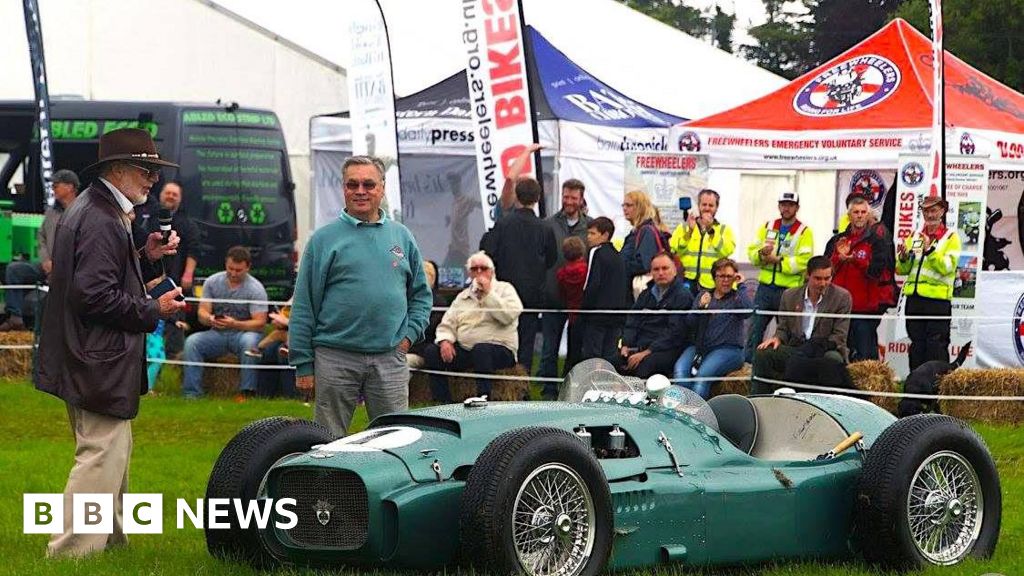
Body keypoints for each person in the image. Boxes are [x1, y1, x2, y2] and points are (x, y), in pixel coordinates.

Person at [36, 128, 185, 557]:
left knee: (113, 451)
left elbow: (93, 277)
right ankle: (72, 552)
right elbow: (94, 296)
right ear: (116, 170)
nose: (153, 178)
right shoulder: (101, 218)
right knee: (102, 453)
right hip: (96, 357)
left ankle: (112, 543)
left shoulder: (94, 208)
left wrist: (145, 257)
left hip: (83, 353)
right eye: (146, 169)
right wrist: (156, 310)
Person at [290, 155, 432, 436]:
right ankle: (328, 483)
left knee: (396, 439)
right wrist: (303, 363)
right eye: (352, 184)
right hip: (335, 357)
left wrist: (408, 338)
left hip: (390, 357)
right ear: (343, 188)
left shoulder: (402, 237)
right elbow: (304, 304)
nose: (360, 191)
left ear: (382, 188)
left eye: (368, 184)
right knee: (327, 441)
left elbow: (421, 296)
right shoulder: (323, 240)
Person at [481, 177, 557, 373]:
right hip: (532, 293)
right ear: (538, 198)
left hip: (505, 292)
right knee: (527, 340)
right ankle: (523, 379)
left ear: (516, 196)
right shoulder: (545, 228)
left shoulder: (503, 224)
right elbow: (551, 259)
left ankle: (505, 378)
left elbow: (490, 252)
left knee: (502, 336)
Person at [423, 252, 523, 401]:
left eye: (483, 268)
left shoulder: (505, 289)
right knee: (432, 351)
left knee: (481, 350)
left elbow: (507, 316)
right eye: (474, 269)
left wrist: (488, 294)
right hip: (467, 349)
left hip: (500, 348)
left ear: (492, 271)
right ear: (469, 273)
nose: (479, 272)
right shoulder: (463, 296)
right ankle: (443, 401)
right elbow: (447, 323)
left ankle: (484, 398)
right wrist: (445, 341)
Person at [752, 256, 852, 394]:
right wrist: (777, 338)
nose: (823, 283)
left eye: (827, 278)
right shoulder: (789, 295)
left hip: (824, 350)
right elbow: (783, 328)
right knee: (763, 354)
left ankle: (828, 408)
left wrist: (811, 348)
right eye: (818, 278)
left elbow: (839, 337)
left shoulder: (842, 297)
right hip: (796, 350)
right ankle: (760, 401)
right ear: (807, 275)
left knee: (833, 359)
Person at [181, 246, 268, 398]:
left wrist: (235, 324)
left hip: (243, 334)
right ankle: (191, 393)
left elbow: (260, 323)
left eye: (238, 270)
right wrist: (210, 319)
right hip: (217, 333)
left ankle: (247, 393)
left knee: (250, 343)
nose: (233, 273)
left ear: (248, 267)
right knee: (192, 342)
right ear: (225, 264)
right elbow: (202, 312)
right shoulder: (212, 282)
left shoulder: (256, 288)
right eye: (230, 268)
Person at [0, 169, 80, 331]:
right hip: (47, 265)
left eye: (57, 185)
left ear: (71, 187)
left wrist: (60, 266)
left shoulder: (83, 211)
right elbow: (41, 237)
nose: (53, 189)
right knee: (14, 270)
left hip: (72, 270)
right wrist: (45, 260)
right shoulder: (51, 212)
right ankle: (15, 317)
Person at [744, 191, 813, 361]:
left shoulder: (804, 231)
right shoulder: (768, 226)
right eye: (783, 204)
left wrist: (779, 261)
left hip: (789, 291)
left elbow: (804, 261)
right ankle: (748, 367)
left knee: (788, 332)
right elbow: (751, 253)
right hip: (765, 288)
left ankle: (784, 367)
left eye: (790, 205)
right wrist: (761, 253)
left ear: (797, 207)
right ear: (779, 206)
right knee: (755, 330)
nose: (786, 208)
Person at [134, 180, 200, 354]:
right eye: (167, 193)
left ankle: (172, 359)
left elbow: (194, 250)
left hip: (175, 278)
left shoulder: (187, 223)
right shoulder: (147, 217)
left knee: (174, 322)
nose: (170, 196)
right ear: (161, 195)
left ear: (180, 199)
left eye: (174, 194)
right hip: (150, 278)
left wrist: (188, 274)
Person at [897, 196, 962, 370]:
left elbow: (947, 267)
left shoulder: (951, 237)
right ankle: (916, 386)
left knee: (936, 347)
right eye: (926, 211)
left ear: (942, 212)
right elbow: (903, 269)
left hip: (938, 301)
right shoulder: (915, 235)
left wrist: (930, 250)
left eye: (933, 210)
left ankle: (936, 388)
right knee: (917, 346)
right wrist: (903, 258)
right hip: (915, 299)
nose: (930, 214)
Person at [824, 193, 891, 361]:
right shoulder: (836, 240)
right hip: (840, 308)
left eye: (863, 212)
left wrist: (856, 261)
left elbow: (876, 272)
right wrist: (838, 258)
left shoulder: (877, 241)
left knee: (865, 355)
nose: (860, 216)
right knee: (839, 352)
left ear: (868, 215)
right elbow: (824, 270)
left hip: (865, 309)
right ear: (849, 215)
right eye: (856, 212)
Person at [539, 178, 592, 384]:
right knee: (549, 348)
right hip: (552, 296)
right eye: (566, 196)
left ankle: (571, 386)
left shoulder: (590, 226)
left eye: (573, 197)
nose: (569, 201)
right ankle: (548, 388)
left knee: (576, 347)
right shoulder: (548, 224)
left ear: (581, 199)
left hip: (578, 302)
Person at [675, 258, 752, 399]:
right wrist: (700, 308)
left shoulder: (737, 298)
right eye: (721, 276)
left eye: (729, 276)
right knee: (680, 371)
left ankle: (695, 415)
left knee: (702, 377)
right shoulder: (703, 295)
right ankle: (680, 412)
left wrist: (741, 285)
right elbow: (690, 323)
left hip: (729, 350)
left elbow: (748, 311)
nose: (725, 280)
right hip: (700, 347)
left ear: (735, 277)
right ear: (714, 277)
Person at [619, 252, 693, 379]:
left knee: (644, 366)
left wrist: (646, 352)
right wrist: (626, 344)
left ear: (675, 270)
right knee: (613, 361)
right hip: (641, 346)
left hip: (667, 349)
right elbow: (632, 322)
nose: (660, 273)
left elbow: (675, 333)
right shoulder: (645, 295)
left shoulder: (683, 296)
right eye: (656, 269)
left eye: (665, 268)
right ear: (651, 272)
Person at [579, 217, 628, 364]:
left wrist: (584, 309)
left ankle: (592, 386)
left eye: (593, 233)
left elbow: (591, 284)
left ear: (605, 235)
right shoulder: (618, 256)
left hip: (597, 316)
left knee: (592, 357)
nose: (588, 237)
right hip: (616, 315)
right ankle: (605, 386)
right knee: (609, 359)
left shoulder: (596, 252)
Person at [670, 188, 736, 295]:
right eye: (704, 204)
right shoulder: (684, 226)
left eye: (711, 205)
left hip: (712, 284)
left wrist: (711, 231)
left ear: (716, 208)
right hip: (687, 282)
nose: (707, 208)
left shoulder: (724, 229)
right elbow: (674, 249)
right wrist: (689, 232)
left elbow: (727, 251)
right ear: (699, 206)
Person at [620, 189, 670, 300]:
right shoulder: (639, 230)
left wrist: (620, 266)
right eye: (623, 205)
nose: (624, 208)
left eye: (629, 205)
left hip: (642, 291)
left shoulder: (646, 231)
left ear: (640, 207)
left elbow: (646, 264)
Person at [556, 236, 588, 380]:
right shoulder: (586, 270)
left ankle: (567, 381)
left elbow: (561, 294)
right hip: (586, 316)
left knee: (572, 354)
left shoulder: (561, 273)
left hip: (572, 315)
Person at [407, 259, 448, 369]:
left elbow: (429, 331)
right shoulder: (407, 299)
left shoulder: (439, 303)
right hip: (401, 349)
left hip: (421, 351)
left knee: (403, 364)